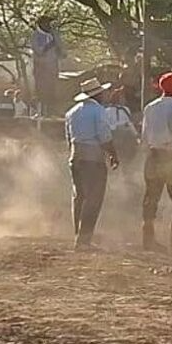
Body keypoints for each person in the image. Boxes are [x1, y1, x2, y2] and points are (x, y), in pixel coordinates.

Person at [64, 78, 120, 250]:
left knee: (79, 196)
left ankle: (79, 235)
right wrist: (113, 155)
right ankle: (84, 240)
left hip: (76, 156)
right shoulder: (98, 111)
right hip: (92, 158)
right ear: (99, 94)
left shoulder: (72, 112)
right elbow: (104, 136)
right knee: (93, 199)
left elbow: (68, 138)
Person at [140, 72, 172, 250]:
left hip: (153, 155)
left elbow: (144, 136)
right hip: (171, 156)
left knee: (151, 199)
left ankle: (148, 239)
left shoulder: (150, 107)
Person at [30, 15, 66, 116]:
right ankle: (40, 111)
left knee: (52, 90)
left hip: (53, 67)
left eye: (49, 23)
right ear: (40, 24)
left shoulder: (54, 34)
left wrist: (60, 49)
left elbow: (63, 53)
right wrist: (51, 44)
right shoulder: (35, 35)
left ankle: (52, 111)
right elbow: (39, 51)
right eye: (46, 23)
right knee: (41, 91)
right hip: (41, 68)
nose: (48, 25)